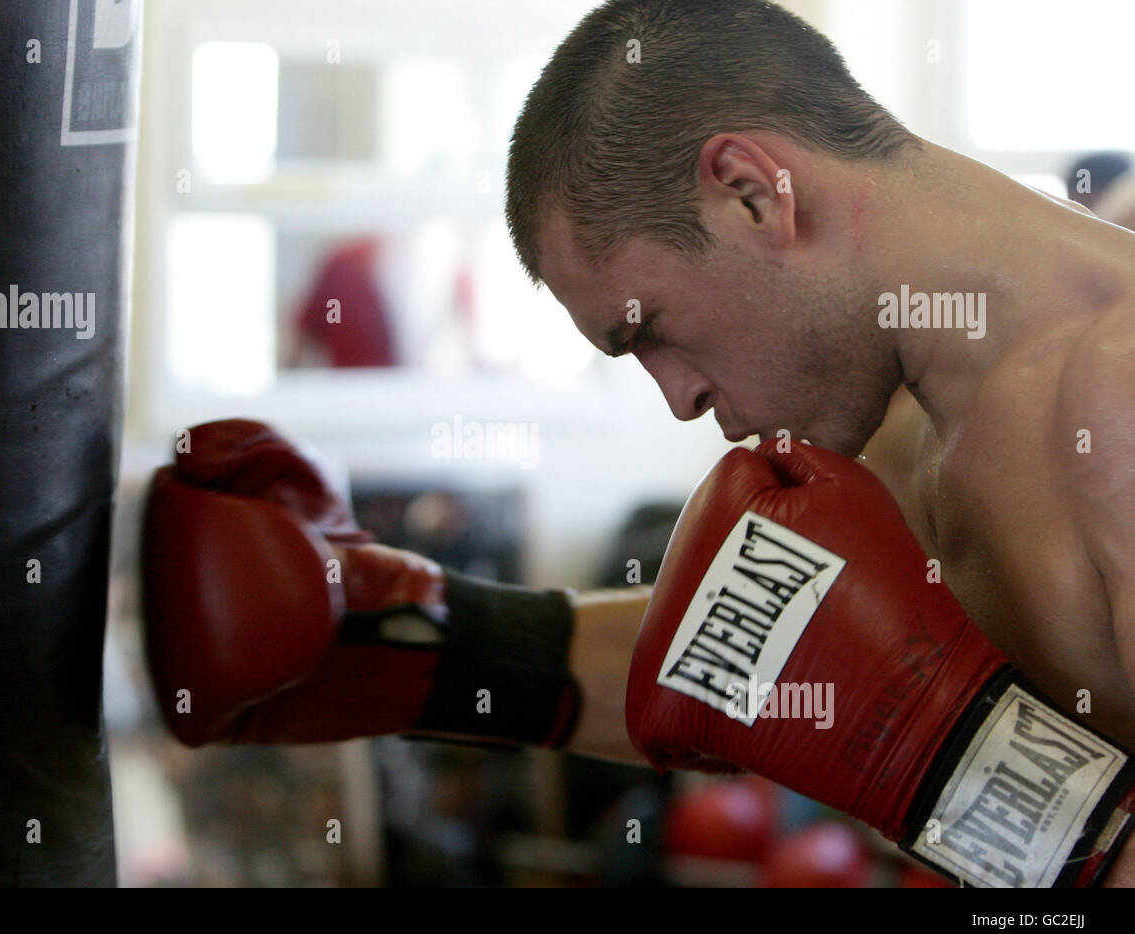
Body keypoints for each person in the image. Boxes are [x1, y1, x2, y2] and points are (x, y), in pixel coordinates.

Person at [142, 0, 1135, 886]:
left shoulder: (1116, 400)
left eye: (645, 329)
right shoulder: (895, 406)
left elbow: (908, 729)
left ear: (751, 192)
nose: (676, 398)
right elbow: (759, 672)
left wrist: (959, 775)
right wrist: (425, 643)